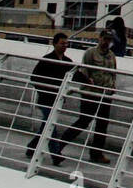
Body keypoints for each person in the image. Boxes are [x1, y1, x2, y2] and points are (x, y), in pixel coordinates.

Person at [50, 29, 118, 166]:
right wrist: (88, 86)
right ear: (99, 38)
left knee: (102, 125)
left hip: (105, 95)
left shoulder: (112, 56)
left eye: (109, 40)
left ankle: (96, 153)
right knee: (83, 122)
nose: (106, 42)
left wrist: (112, 87)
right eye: (105, 39)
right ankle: (59, 146)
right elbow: (85, 73)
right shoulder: (90, 53)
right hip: (91, 94)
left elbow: (113, 73)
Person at [25, 32, 75, 161]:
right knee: (51, 125)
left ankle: (32, 146)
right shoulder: (47, 59)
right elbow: (34, 77)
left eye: (66, 43)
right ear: (54, 44)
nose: (65, 46)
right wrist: (45, 89)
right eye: (62, 43)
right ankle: (56, 154)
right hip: (46, 99)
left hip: (57, 99)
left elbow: (76, 74)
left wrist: (88, 81)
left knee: (46, 125)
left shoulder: (68, 61)